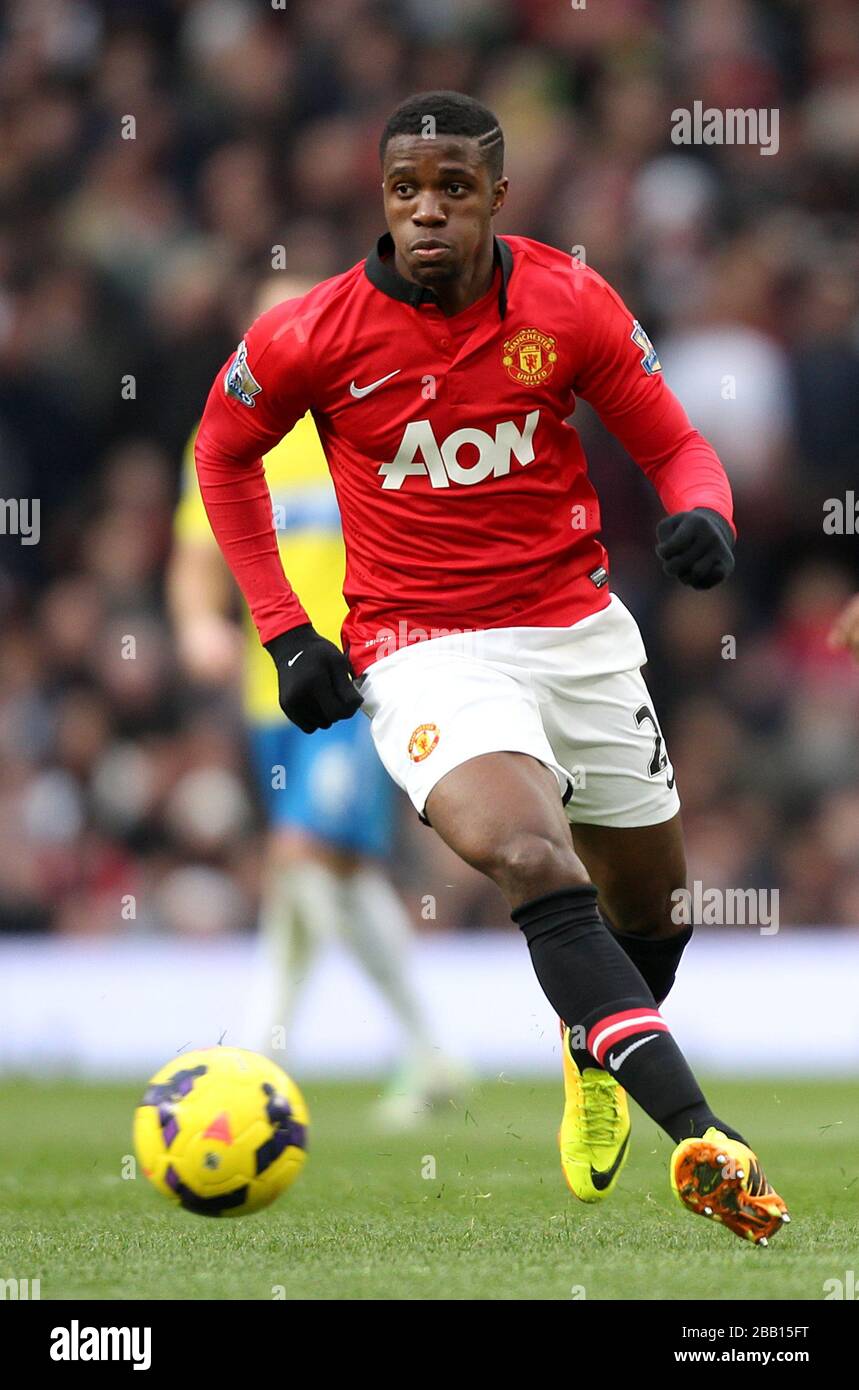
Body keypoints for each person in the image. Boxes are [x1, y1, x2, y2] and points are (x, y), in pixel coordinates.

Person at [193, 92, 789, 1244]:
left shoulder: (567, 303)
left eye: (452, 190)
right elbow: (223, 455)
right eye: (406, 190)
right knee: (526, 852)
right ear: (381, 198)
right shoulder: (306, 333)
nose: (427, 212)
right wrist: (283, 629)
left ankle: (591, 1048)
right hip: (421, 647)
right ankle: (704, 1135)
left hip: (576, 630)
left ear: (495, 199)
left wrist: (703, 514)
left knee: (653, 909)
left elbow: (672, 440)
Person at [170, 276, 462, 1129]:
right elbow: (196, 549)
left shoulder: (370, 419)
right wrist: (195, 623)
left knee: (303, 857)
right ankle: (412, 1056)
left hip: (365, 685)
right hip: (273, 697)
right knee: (325, 873)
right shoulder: (234, 434)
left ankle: (269, 1053)